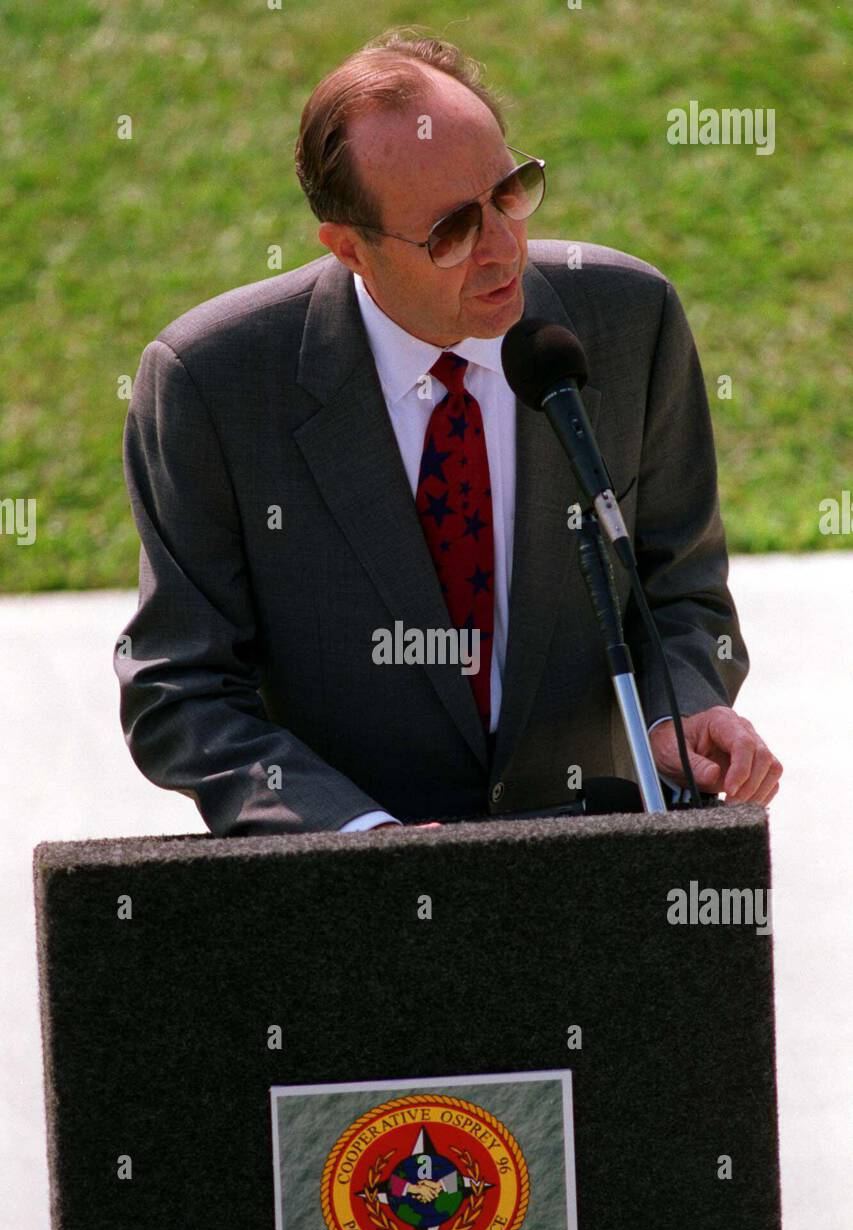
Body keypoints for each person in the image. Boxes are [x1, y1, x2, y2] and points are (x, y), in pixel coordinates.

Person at [114, 31, 782, 836]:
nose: (502, 247)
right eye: (452, 231)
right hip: (345, 903)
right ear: (350, 249)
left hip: (595, 886)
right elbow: (180, 687)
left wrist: (684, 708)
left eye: (510, 192)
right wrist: (355, 837)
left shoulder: (628, 320)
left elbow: (679, 590)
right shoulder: (211, 382)